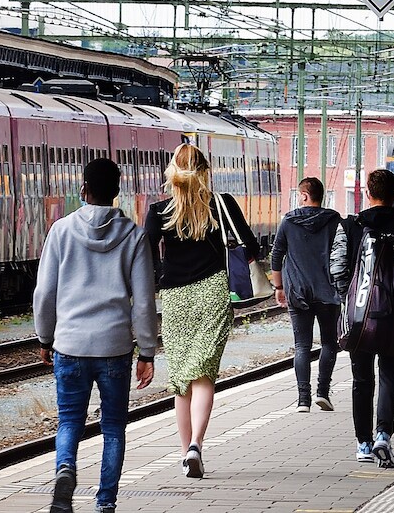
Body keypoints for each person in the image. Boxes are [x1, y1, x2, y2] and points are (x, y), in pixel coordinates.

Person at [33, 158, 158, 513]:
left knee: (70, 419)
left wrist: (45, 338)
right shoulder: (134, 236)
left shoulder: (60, 231)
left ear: (83, 188)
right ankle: (105, 504)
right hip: (114, 347)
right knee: (114, 426)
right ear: (117, 192)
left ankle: (65, 470)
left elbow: (45, 293)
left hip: (70, 344)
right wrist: (147, 352)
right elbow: (144, 301)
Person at [144, 143, 260, 479]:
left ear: (172, 173)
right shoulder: (222, 205)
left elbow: (145, 254)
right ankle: (196, 444)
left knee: (181, 380)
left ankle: (185, 454)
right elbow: (250, 245)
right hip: (213, 291)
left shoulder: (159, 211)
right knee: (204, 373)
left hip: (176, 297)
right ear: (206, 171)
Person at [330, 168, 394, 468]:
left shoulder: (352, 225)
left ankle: (363, 443)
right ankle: (384, 435)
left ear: (367, 193)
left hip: (360, 316)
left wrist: (348, 298)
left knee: (361, 379)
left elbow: (338, 267)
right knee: (390, 374)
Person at [271, 177, 343, 413]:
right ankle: (323, 392)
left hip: (298, 291)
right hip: (328, 291)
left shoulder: (289, 221)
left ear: (303, 196)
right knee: (329, 343)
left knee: (301, 346)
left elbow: (276, 255)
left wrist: (278, 287)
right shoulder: (334, 220)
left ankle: (303, 400)